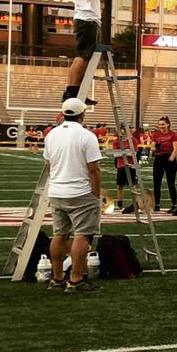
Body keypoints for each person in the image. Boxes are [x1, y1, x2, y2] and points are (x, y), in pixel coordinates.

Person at [42, 98, 103, 293]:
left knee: (59, 234)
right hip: (80, 192)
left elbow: (49, 165)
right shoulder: (86, 136)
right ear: (82, 114)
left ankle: (57, 277)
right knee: (82, 235)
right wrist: (96, 193)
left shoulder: (52, 134)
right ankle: (76, 279)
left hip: (57, 191)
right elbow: (94, 170)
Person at [63, 0, 122, 103]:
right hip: (86, 17)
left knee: (86, 56)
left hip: (91, 17)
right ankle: (71, 91)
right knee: (83, 55)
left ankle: (77, 90)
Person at [152, 116, 177, 212]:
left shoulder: (173, 134)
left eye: (163, 124)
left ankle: (174, 204)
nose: (161, 126)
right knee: (156, 183)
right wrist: (156, 146)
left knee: (170, 183)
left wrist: (171, 159)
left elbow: (176, 148)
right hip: (159, 158)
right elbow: (152, 148)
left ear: (168, 124)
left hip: (169, 159)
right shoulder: (155, 134)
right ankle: (156, 204)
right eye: (159, 124)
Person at [111, 121, 139, 213]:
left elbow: (134, 153)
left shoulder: (133, 140)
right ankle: (120, 204)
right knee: (120, 186)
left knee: (133, 186)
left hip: (131, 166)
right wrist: (126, 152)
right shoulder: (116, 141)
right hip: (121, 166)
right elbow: (115, 154)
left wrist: (122, 152)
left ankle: (135, 204)